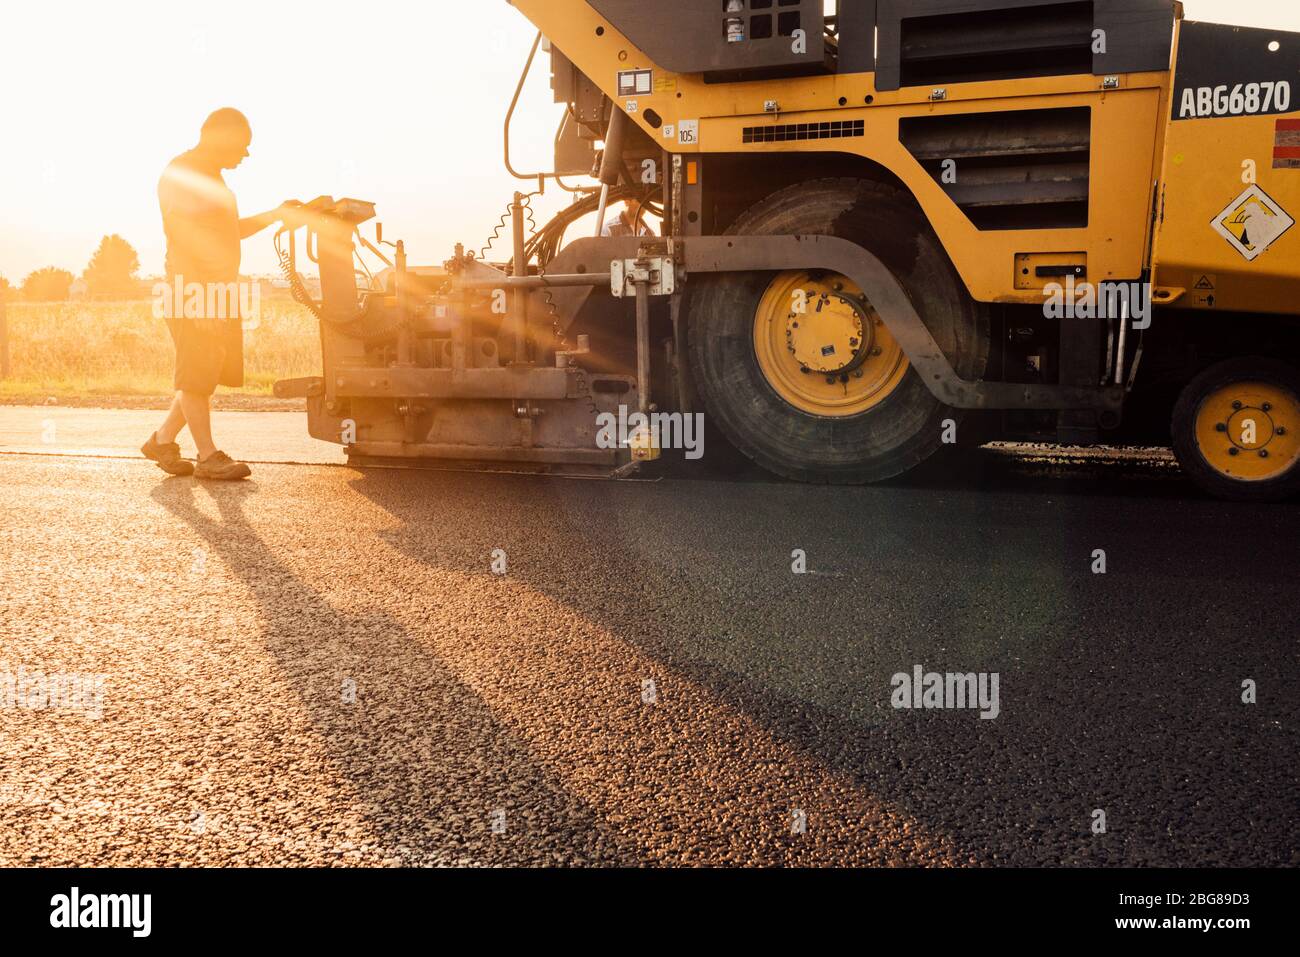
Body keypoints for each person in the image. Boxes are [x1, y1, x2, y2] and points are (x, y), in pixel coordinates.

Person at [141, 108, 299, 480]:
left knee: (205, 372)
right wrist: (197, 297)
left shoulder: (211, 177)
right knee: (197, 373)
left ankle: (162, 441)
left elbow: (230, 231)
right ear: (220, 137)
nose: (245, 155)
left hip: (215, 287)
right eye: (242, 146)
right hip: (193, 287)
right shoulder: (184, 174)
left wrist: (276, 214)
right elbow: (183, 234)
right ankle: (208, 456)